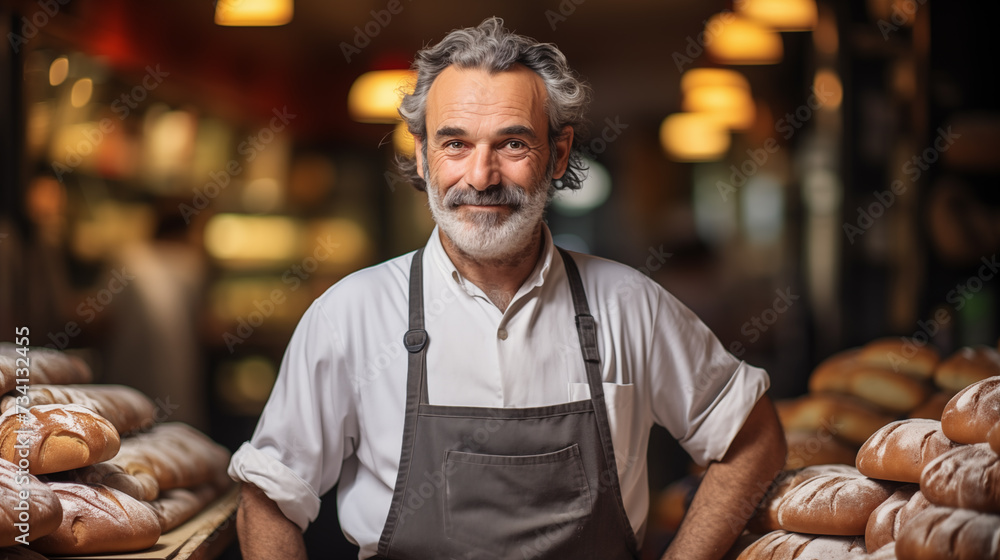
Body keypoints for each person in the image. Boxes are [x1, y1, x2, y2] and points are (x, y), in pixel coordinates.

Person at [229, 17, 786, 560]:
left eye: (512, 144)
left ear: (559, 154)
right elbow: (268, 497)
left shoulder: (628, 303)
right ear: (422, 157)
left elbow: (752, 439)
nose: (481, 176)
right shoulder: (351, 314)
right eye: (455, 144)